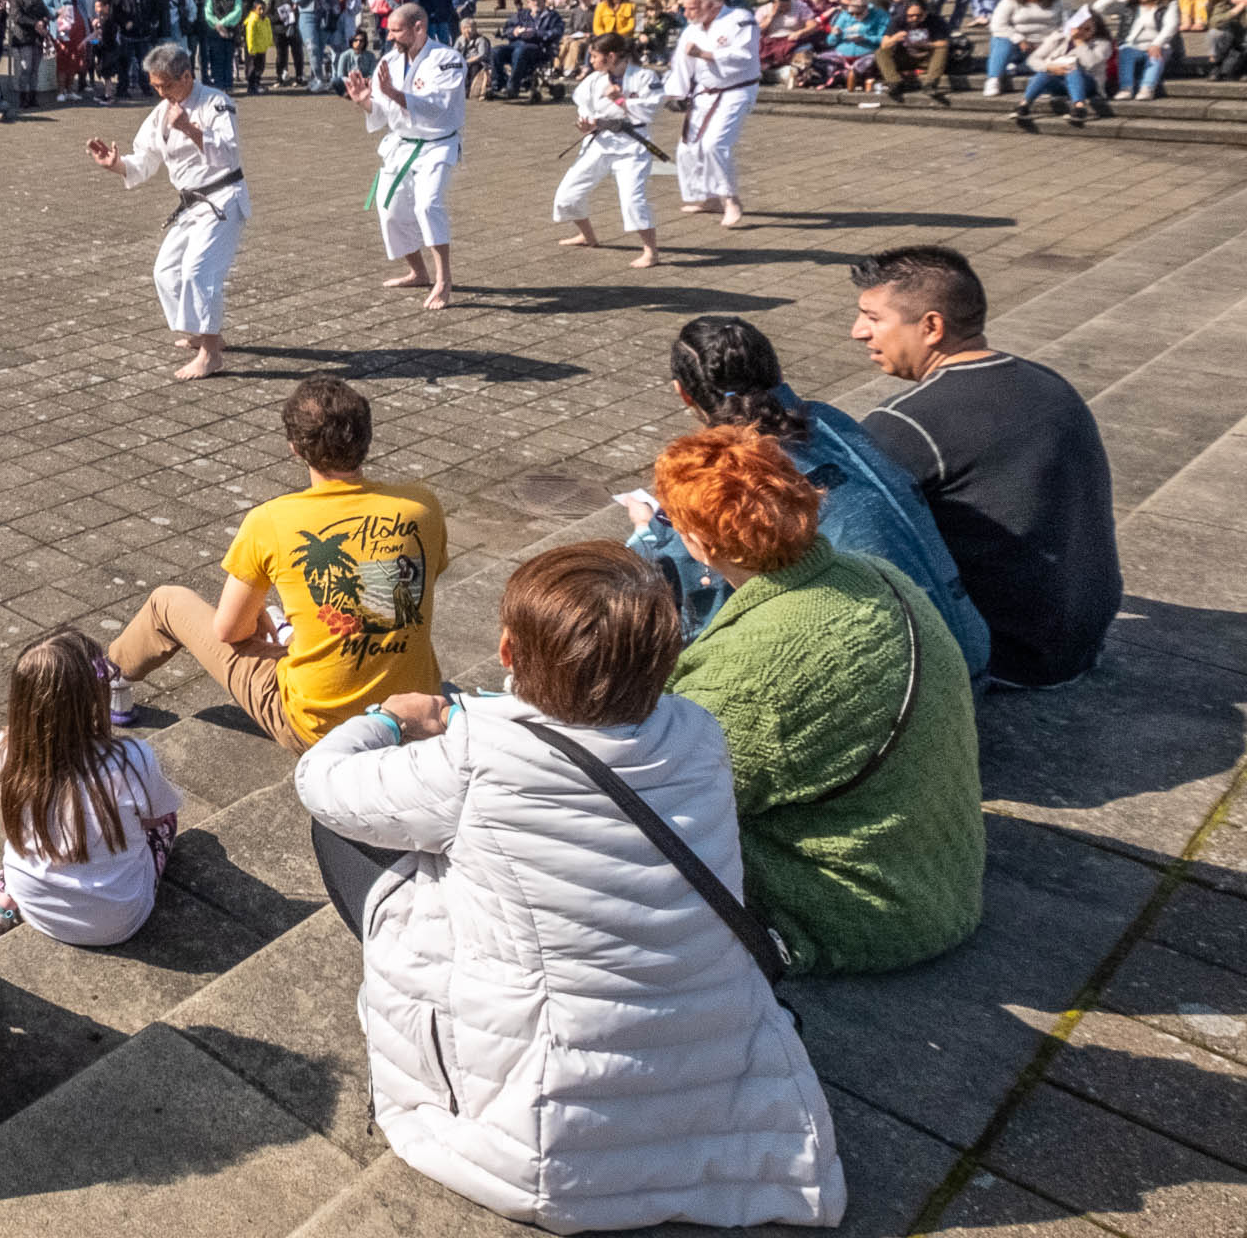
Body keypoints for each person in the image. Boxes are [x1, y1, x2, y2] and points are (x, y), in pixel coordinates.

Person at [293, 541, 845, 1230]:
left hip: (552, 1139)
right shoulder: (700, 734)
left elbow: (322, 784)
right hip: (713, 1070)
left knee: (355, 828)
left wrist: (392, 720)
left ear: (506, 650)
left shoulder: (476, 760)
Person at [653, 426, 985, 975]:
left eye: (671, 522)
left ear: (702, 543)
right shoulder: (875, 574)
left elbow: (663, 796)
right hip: (934, 870)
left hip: (861, 914)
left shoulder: (755, 673)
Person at [621, 315, 991, 678]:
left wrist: (646, 531)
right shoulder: (829, 418)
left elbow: (685, 583)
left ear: (682, 392)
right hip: (966, 646)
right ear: (777, 372)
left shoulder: (732, 473)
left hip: (904, 675)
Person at [112, 375, 444, 751]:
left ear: (295, 448)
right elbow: (393, 590)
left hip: (321, 729)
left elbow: (230, 632)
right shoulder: (422, 506)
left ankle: (107, 676)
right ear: (366, 439)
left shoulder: (271, 520)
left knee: (166, 602)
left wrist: (251, 616)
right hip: (417, 716)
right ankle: (294, 633)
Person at [850, 246, 1118, 689]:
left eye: (873, 318)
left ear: (931, 326)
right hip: (1078, 639)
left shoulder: (906, 422)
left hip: (1003, 654)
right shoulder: (1047, 381)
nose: (858, 331)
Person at [0, 626, 184, 947]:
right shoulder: (133, 759)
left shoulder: (4, 749)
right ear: (93, 700)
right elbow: (156, 819)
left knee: (32, 833)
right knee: (168, 820)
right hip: (119, 920)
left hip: (36, 906)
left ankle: (0, 901)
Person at [85, 42, 245, 381]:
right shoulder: (161, 112)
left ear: (186, 76)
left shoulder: (216, 101)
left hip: (223, 198)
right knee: (166, 271)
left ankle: (212, 352)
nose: (160, 92)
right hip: (192, 205)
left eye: (166, 85)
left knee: (197, 272)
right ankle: (200, 332)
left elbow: (228, 154)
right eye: (155, 86)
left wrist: (189, 127)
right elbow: (144, 159)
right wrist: (116, 165)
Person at [348, 4, 464, 310]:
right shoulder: (389, 61)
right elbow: (383, 111)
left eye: (396, 30)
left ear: (419, 27)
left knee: (428, 205)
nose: (390, 36)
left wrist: (395, 93)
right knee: (390, 210)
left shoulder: (448, 60)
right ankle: (418, 271)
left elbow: (437, 106)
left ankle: (444, 279)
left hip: (436, 145)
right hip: (400, 145)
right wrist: (365, 101)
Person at [551, 33, 664, 268]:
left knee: (633, 199)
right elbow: (582, 102)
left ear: (611, 56)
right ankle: (588, 236)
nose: (591, 60)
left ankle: (651, 251)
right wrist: (587, 122)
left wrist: (622, 100)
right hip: (601, 143)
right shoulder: (595, 80)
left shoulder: (644, 76)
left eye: (594, 56)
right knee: (566, 195)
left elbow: (652, 109)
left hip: (632, 147)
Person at [663, 0, 758, 227]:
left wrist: (705, 54)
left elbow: (744, 56)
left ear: (712, 5)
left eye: (691, 8)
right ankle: (706, 197)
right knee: (687, 147)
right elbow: (681, 62)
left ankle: (731, 201)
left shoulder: (740, 19)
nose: (685, 13)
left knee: (714, 144)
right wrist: (677, 93)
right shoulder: (692, 28)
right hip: (704, 92)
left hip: (737, 90)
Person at [1012, 10, 1113, 127]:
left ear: (1096, 28)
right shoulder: (1059, 38)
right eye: (1079, 27)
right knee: (1045, 72)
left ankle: (1079, 108)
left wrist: (1078, 41)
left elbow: (1090, 63)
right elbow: (1032, 60)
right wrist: (1049, 67)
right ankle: (1024, 105)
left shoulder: (1103, 44)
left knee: (1072, 68)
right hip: (1061, 83)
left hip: (1089, 84)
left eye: (1087, 29)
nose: (1082, 32)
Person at [981, 0, 1061, 94]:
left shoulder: (1059, 3)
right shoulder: (1009, 2)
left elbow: (1067, 26)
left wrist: (1048, 43)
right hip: (1018, 46)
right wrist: (1019, 39)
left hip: (1046, 46)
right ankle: (993, 79)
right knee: (1001, 39)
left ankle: (1019, 68)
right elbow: (997, 25)